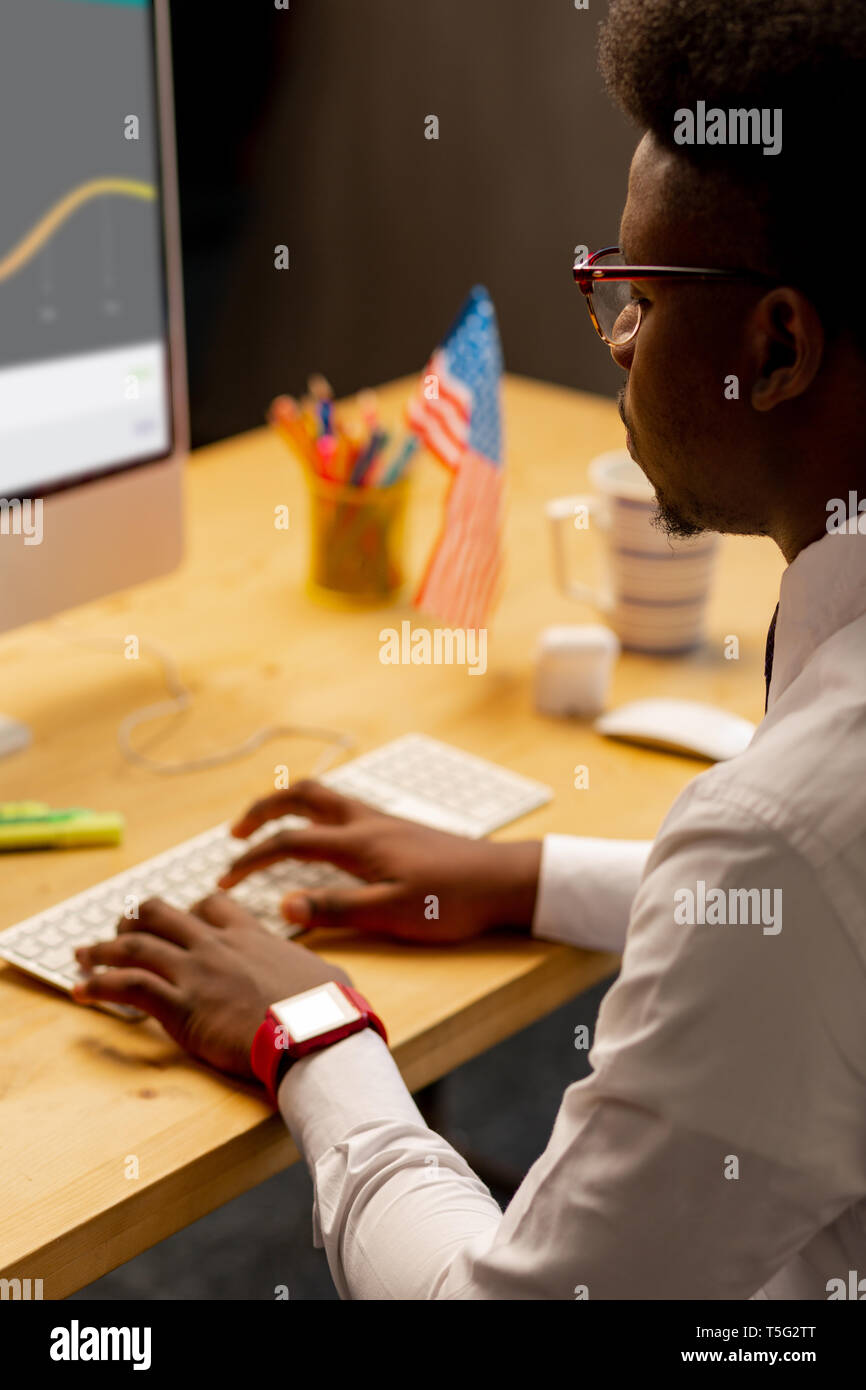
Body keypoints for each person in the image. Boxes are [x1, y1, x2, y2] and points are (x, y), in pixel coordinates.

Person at [73, 0, 866, 1298]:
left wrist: (311, 1029)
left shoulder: (785, 828)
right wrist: (523, 874)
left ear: (774, 345)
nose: (610, 335)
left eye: (636, 295)